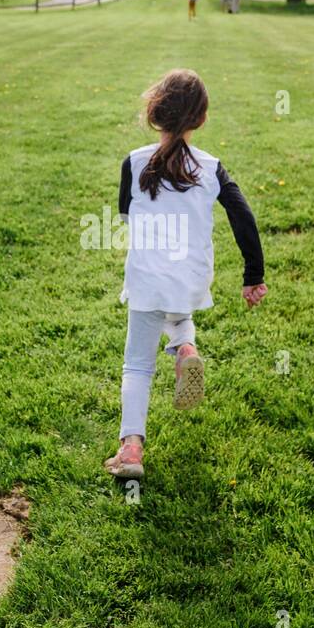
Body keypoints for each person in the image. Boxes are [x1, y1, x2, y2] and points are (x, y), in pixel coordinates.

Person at [105, 69, 267, 480]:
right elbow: (243, 217)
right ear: (202, 119)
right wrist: (253, 276)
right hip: (193, 278)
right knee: (176, 308)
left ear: (155, 113)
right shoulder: (211, 168)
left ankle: (131, 450)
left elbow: (126, 213)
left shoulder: (134, 162)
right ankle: (184, 348)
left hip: (147, 278)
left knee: (138, 365)